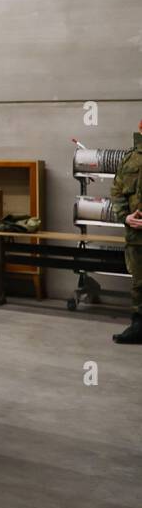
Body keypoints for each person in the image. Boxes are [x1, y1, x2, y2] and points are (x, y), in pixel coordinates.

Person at [110, 119, 142, 344]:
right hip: (136, 236)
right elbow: (117, 192)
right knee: (139, 283)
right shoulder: (129, 159)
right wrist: (125, 217)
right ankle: (138, 327)